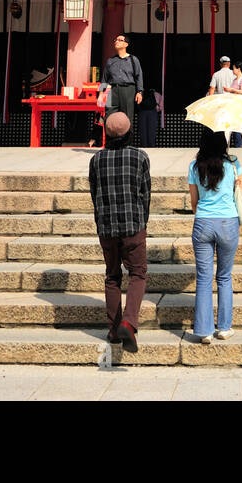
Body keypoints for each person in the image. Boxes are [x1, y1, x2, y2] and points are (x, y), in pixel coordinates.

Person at [88, 111, 152, 352]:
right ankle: (129, 321)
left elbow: (95, 195)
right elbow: (145, 194)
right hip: (133, 226)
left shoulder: (96, 160)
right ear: (129, 133)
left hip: (107, 228)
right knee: (138, 274)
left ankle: (114, 330)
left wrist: (101, 222)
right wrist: (142, 223)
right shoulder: (140, 157)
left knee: (112, 276)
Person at [187, 130, 242, 344]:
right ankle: (224, 328)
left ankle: (204, 331)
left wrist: (204, 214)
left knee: (203, 277)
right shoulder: (233, 164)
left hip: (203, 222)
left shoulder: (195, 166)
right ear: (224, 144)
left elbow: (193, 202)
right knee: (224, 276)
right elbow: (239, 194)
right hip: (228, 222)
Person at [100, 33, 143, 140]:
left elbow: (139, 76)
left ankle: (127, 144)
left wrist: (140, 92)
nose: (116, 41)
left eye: (119, 40)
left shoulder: (133, 60)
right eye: (115, 40)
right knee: (108, 115)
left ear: (126, 44)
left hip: (128, 89)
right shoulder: (110, 61)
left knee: (127, 116)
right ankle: (110, 143)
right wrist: (101, 94)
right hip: (111, 90)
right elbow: (104, 79)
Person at [225, 61, 242, 147]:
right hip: (233, 106)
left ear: (238, 69)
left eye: (233, 68)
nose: (232, 70)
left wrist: (231, 90)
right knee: (228, 126)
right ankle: (225, 145)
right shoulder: (235, 80)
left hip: (240, 107)